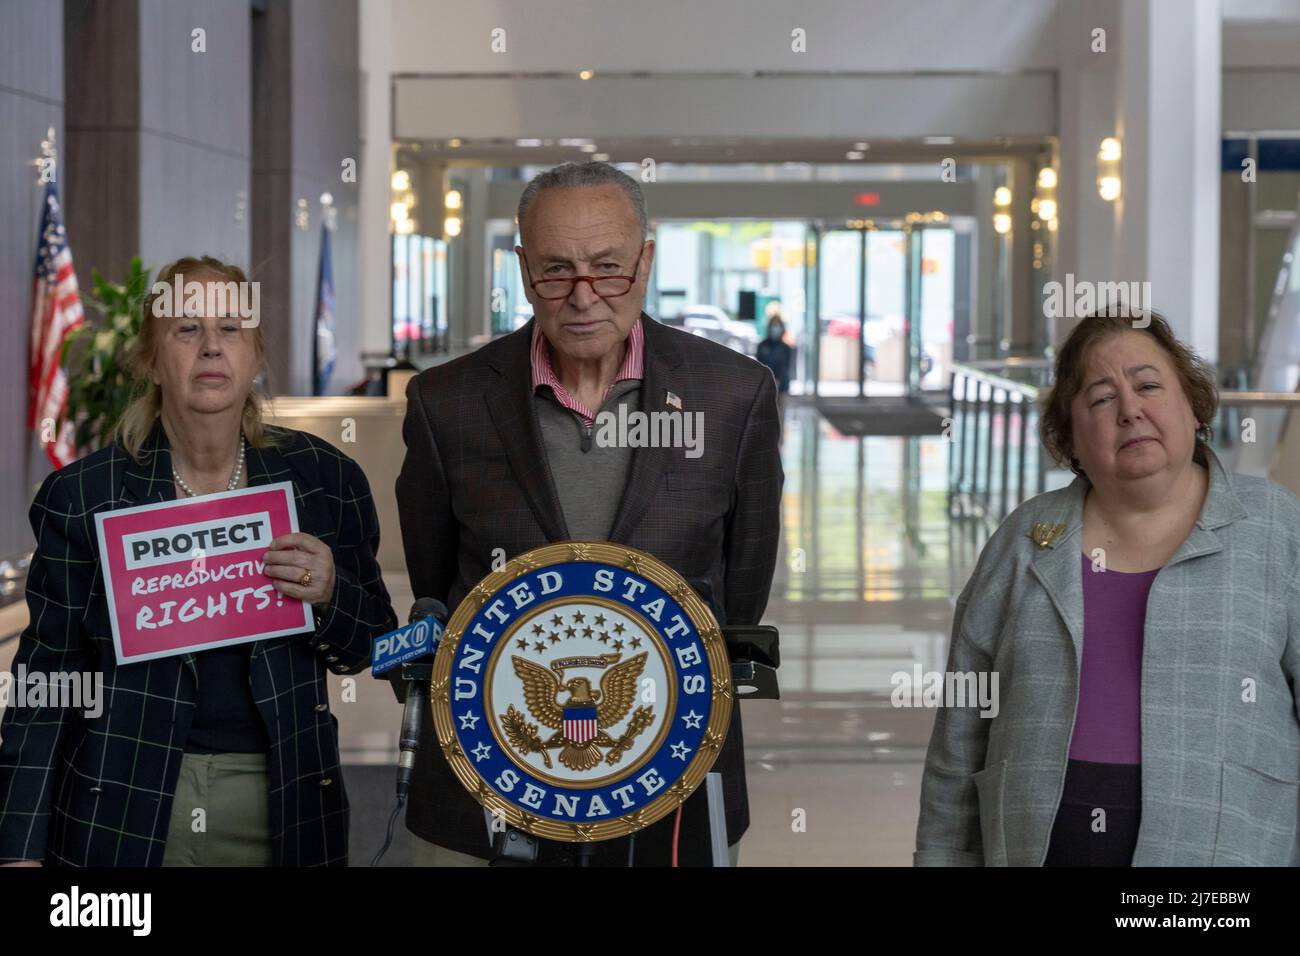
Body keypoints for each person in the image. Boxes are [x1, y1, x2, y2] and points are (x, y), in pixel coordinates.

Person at [396, 161, 784, 866]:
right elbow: (437, 576)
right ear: (520, 268)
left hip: (674, 774)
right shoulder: (444, 403)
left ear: (646, 261)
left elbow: (739, 589)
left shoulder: (735, 396)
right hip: (491, 783)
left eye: (607, 268)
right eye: (555, 270)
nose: (583, 296)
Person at [0, 256, 397, 867]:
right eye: (186, 329)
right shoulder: (83, 496)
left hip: (287, 802)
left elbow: (371, 646)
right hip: (124, 801)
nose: (211, 346)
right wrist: (18, 847)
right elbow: (47, 682)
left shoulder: (324, 479)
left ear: (256, 355)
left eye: (231, 328)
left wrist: (330, 594)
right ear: (151, 360)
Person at [915, 306, 1300, 866]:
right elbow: (958, 739)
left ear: (1192, 405)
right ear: (1070, 435)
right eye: (1100, 398)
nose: (1130, 411)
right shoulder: (1025, 539)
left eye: (1148, 385)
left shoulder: (1275, 528)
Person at [756, 309, 794, 438]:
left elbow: (786, 367)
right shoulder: (762, 346)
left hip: (782, 389)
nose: (775, 328)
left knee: (780, 418)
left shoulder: (786, 348)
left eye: (778, 326)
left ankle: (779, 444)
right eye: (773, 325)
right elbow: (759, 366)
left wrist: (779, 380)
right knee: (765, 419)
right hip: (765, 390)